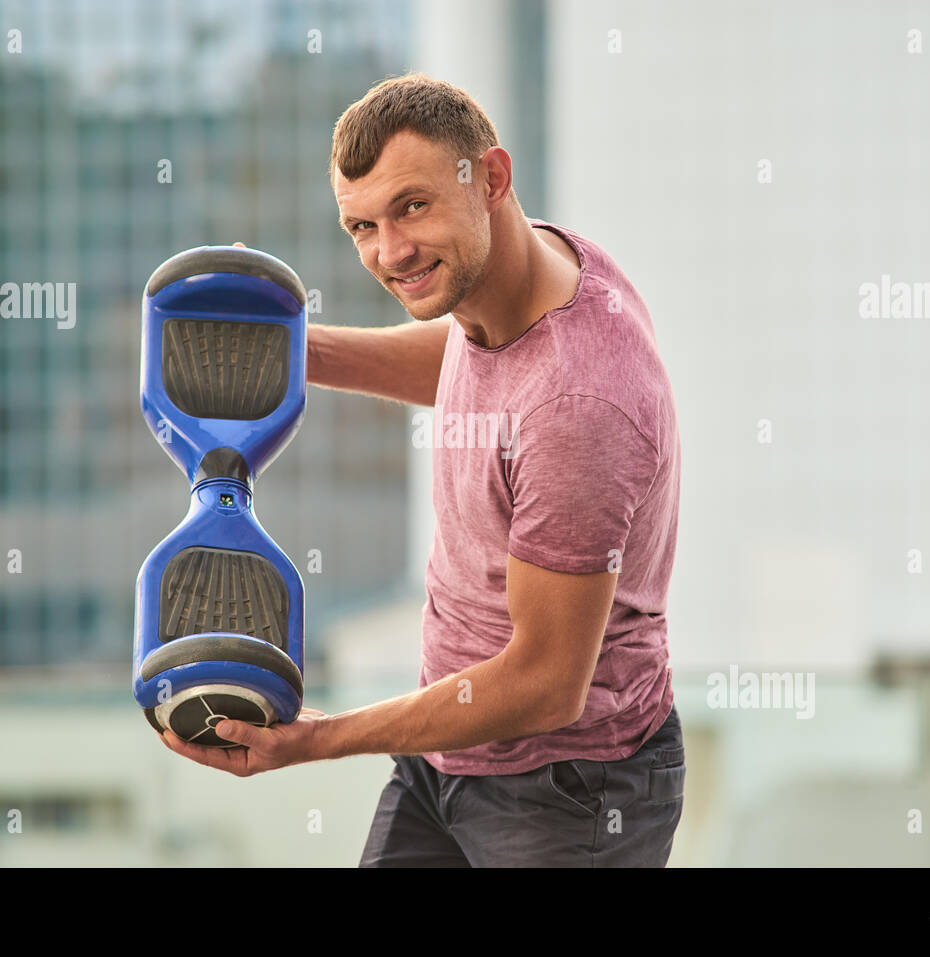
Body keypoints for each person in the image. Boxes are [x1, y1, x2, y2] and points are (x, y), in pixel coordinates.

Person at [160, 72, 685, 867]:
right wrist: (292, 345)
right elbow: (472, 367)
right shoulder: (518, 273)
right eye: (361, 226)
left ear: (493, 179)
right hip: (450, 751)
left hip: (569, 791)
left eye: (412, 206)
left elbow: (546, 682)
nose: (390, 251)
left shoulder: (580, 404)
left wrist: (318, 739)